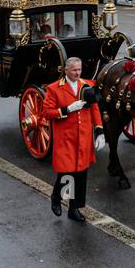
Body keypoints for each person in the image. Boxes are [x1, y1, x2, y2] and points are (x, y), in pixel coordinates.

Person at [42, 57, 104, 222]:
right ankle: (57, 197)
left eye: (79, 70)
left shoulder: (87, 85)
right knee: (67, 172)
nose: (78, 73)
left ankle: (74, 208)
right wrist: (66, 109)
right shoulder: (54, 89)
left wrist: (99, 131)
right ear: (66, 70)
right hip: (66, 138)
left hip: (83, 137)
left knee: (81, 173)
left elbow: (95, 108)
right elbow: (47, 113)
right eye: (74, 70)